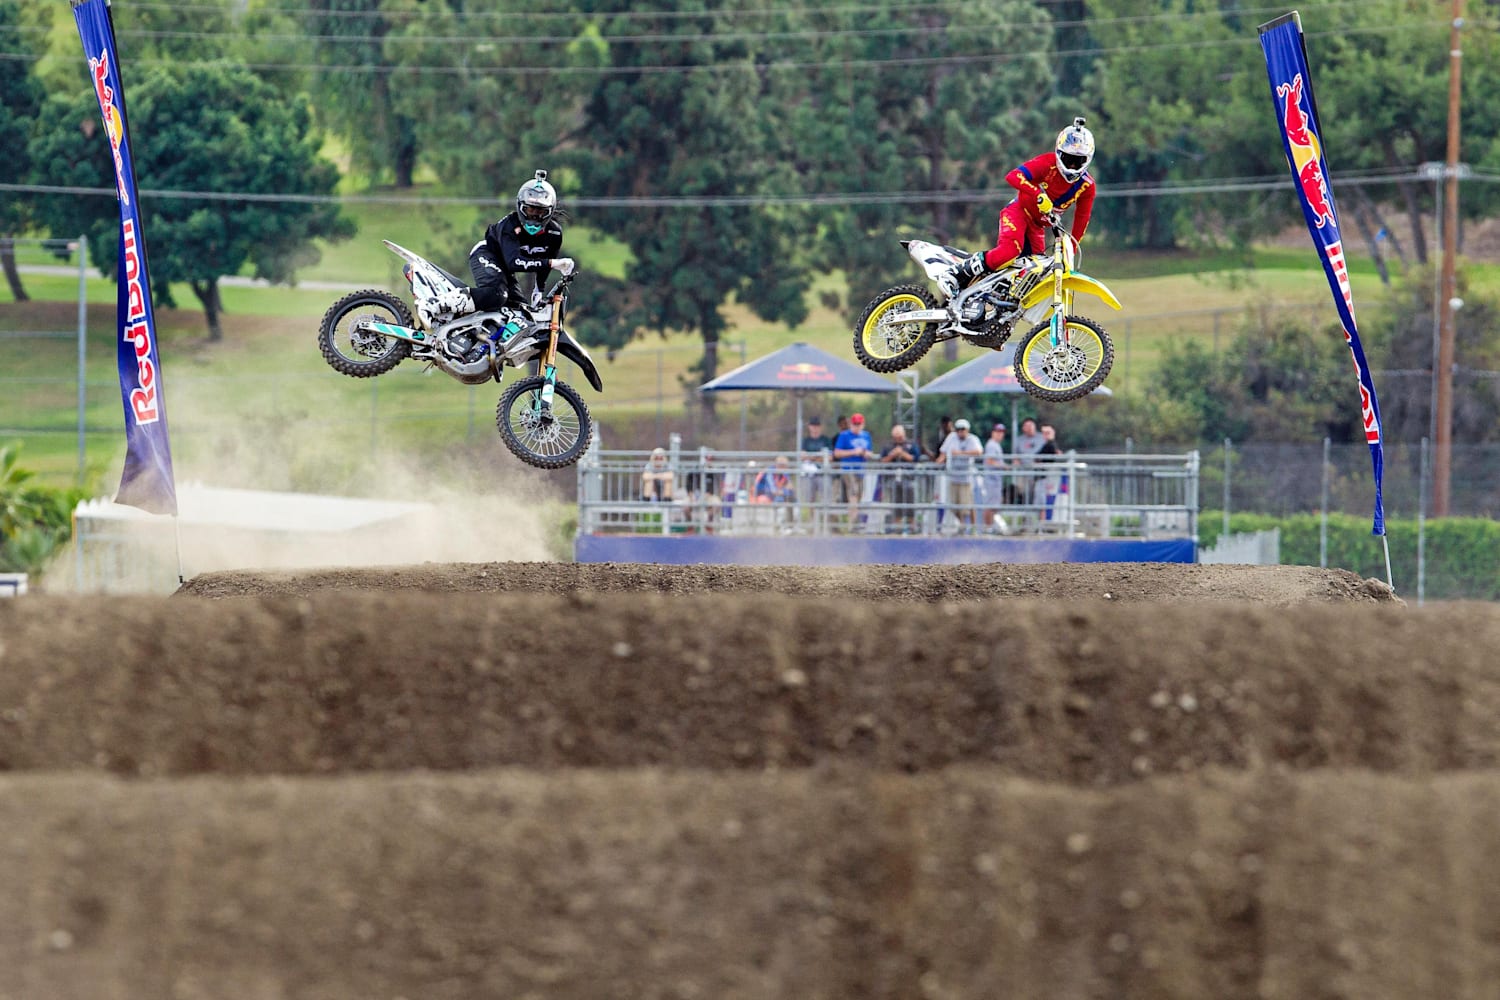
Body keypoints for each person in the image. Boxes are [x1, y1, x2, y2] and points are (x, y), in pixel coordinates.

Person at [943, 117, 1097, 296]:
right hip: (1018, 212)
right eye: (1068, 159)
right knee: (1010, 251)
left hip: (1037, 226)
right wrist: (1038, 194)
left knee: (1037, 273)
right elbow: (1013, 176)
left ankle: (1002, 298)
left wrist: (1070, 250)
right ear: (1059, 153)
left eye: (1078, 161)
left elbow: (1082, 220)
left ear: (1087, 160)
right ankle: (955, 273)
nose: (1072, 165)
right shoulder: (1047, 163)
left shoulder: (1087, 186)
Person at [429, 169, 577, 348]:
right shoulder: (509, 225)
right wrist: (553, 263)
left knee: (521, 315)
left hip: (505, 269)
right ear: (520, 207)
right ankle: (436, 304)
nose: (534, 216)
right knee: (498, 295)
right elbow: (514, 263)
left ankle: (481, 343)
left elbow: (543, 267)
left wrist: (538, 292)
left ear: (549, 211)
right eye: (530, 209)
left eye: (540, 211)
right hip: (487, 255)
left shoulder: (554, 234)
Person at [936, 418, 984, 533]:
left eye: (963, 429)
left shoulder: (972, 439)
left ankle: (973, 528)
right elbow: (943, 452)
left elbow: (978, 452)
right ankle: (962, 526)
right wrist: (937, 463)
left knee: (967, 504)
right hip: (953, 477)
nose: (960, 432)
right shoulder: (951, 438)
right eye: (958, 430)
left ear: (967, 430)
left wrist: (960, 454)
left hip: (966, 478)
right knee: (954, 505)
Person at [832, 411, 875, 527]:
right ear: (851, 424)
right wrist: (853, 452)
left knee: (859, 495)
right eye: (855, 424)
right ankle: (852, 524)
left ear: (863, 424)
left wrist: (865, 453)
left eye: (859, 424)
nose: (856, 427)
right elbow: (837, 453)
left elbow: (870, 453)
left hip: (860, 470)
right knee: (853, 492)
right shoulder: (844, 436)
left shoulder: (866, 436)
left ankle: (854, 519)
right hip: (848, 469)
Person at [878, 424, 922, 533]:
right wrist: (892, 455)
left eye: (900, 437)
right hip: (892, 479)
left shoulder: (911, 445)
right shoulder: (888, 446)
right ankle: (897, 528)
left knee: (910, 504)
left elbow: (916, 458)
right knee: (895, 505)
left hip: (909, 479)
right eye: (896, 437)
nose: (898, 439)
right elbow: (882, 461)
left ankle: (912, 528)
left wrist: (902, 454)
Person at [982, 423, 1016, 529]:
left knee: (995, 506)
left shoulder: (996, 445)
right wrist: (1004, 466)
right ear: (993, 433)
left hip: (996, 480)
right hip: (991, 480)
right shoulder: (991, 445)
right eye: (997, 432)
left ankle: (992, 527)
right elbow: (990, 461)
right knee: (990, 505)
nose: (999, 434)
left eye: (1001, 432)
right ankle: (988, 528)